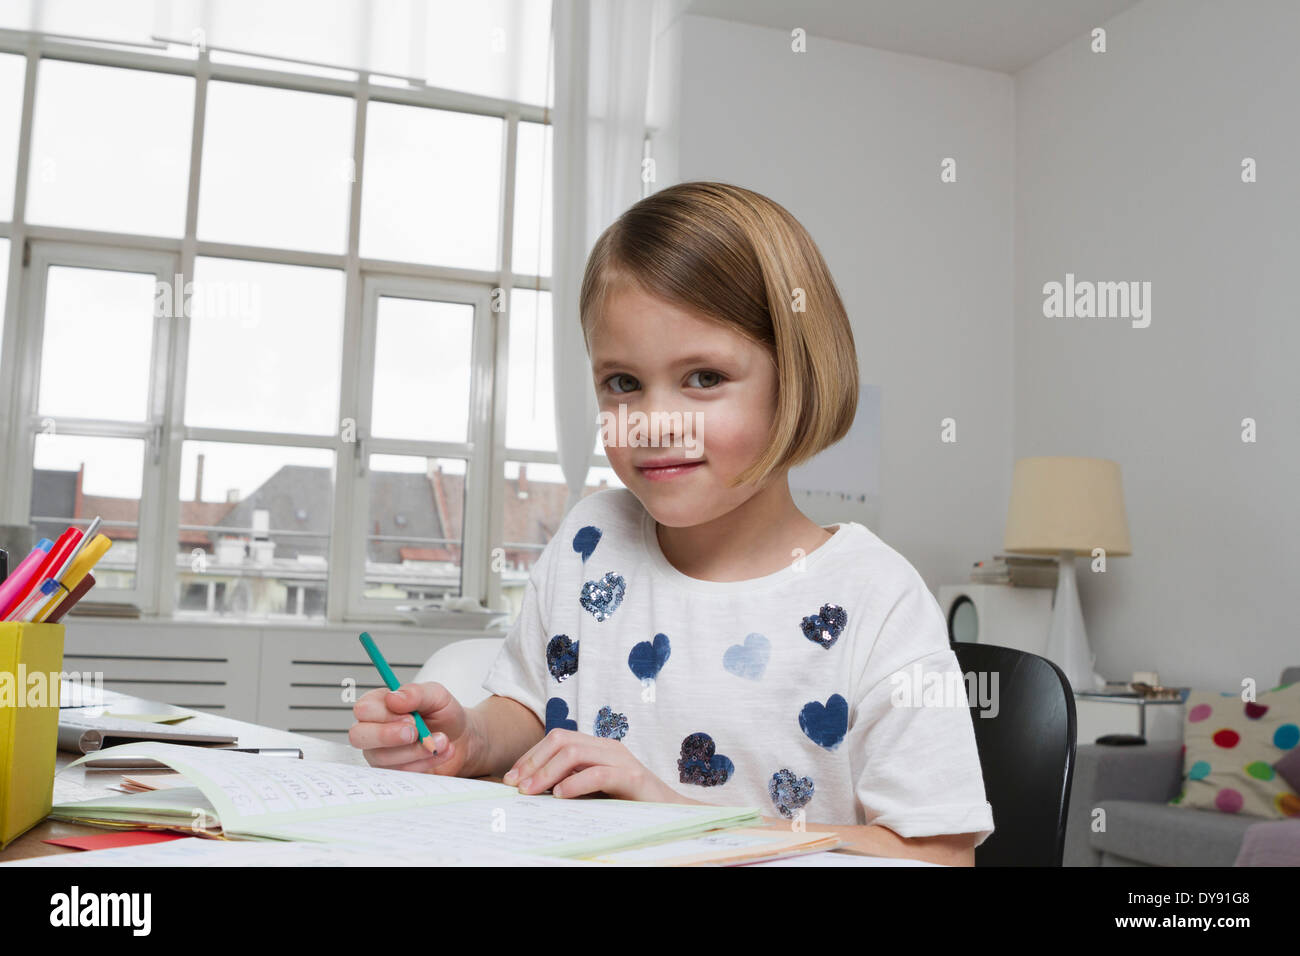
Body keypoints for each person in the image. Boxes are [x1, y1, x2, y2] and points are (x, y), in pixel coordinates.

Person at [350, 181, 993, 865]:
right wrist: (474, 739)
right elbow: (535, 710)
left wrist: (679, 818)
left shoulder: (876, 597)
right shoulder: (592, 540)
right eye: (622, 383)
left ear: (796, 378)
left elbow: (940, 854)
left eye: (705, 377)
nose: (655, 423)